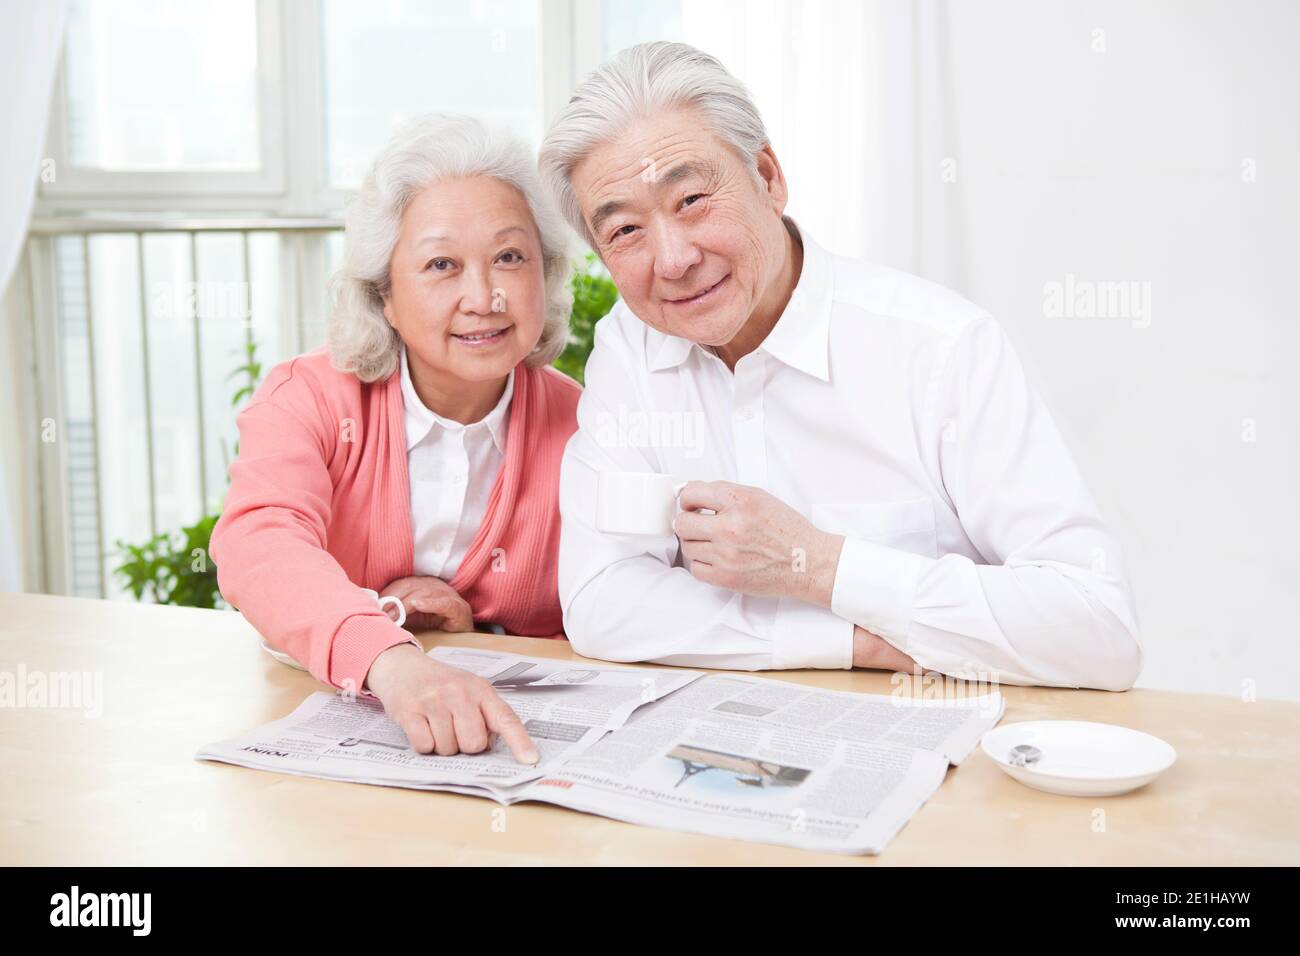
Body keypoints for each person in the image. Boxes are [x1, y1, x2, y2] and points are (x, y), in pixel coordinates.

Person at [540, 42, 1142, 690]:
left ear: (768, 177)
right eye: (624, 231)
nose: (673, 259)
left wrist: (817, 564)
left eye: (690, 199)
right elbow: (602, 600)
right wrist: (853, 640)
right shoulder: (631, 347)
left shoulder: (941, 348)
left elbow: (1097, 628)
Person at [211, 114, 581, 762]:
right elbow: (258, 544)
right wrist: (390, 656)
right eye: (441, 264)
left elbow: (607, 606)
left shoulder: (584, 424)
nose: (484, 297)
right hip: (329, 735)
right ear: (383, 293)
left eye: (509, 257)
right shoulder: (307, 399)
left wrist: (477, 628)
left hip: (522, 745)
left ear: (543, 273)